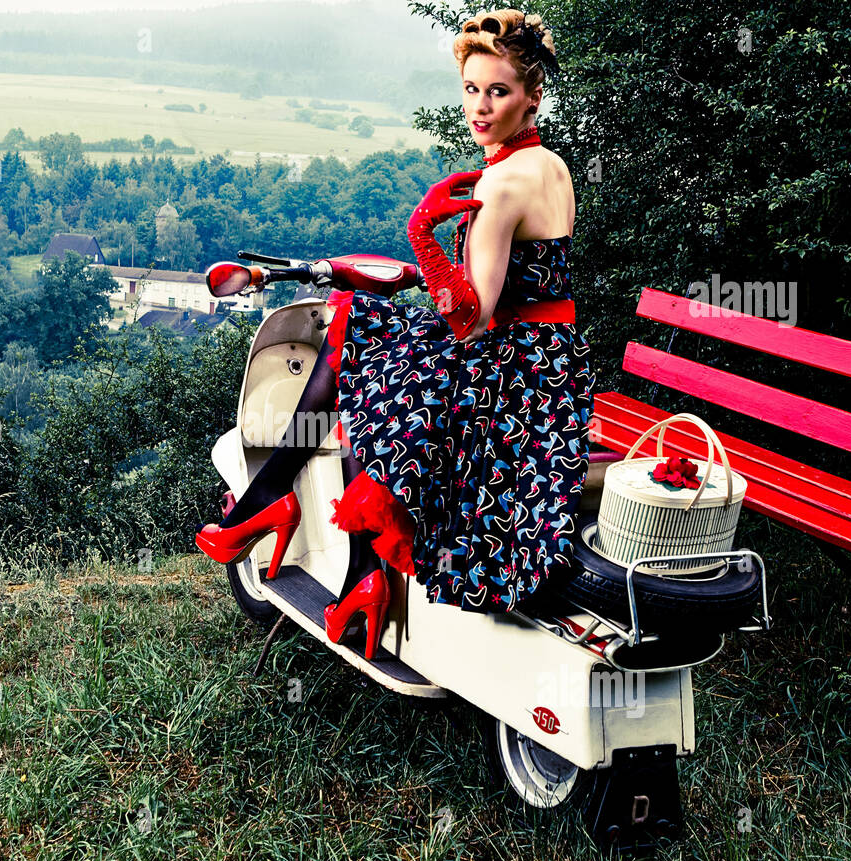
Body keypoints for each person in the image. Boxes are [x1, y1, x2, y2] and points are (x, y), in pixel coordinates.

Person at [197, 8, 595, 660]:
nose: (482, 106)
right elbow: (526, 282)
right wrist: (435, 272)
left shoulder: (502, 184)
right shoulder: (549, 163)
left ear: (532, 95)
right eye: (472, 89)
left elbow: (470, 316)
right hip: (550, 361)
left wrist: (422, 236)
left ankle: (284, 520)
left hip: (508, 371)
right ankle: (337, 561)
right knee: (374, 339)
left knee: (365, 358)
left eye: (499, 91)